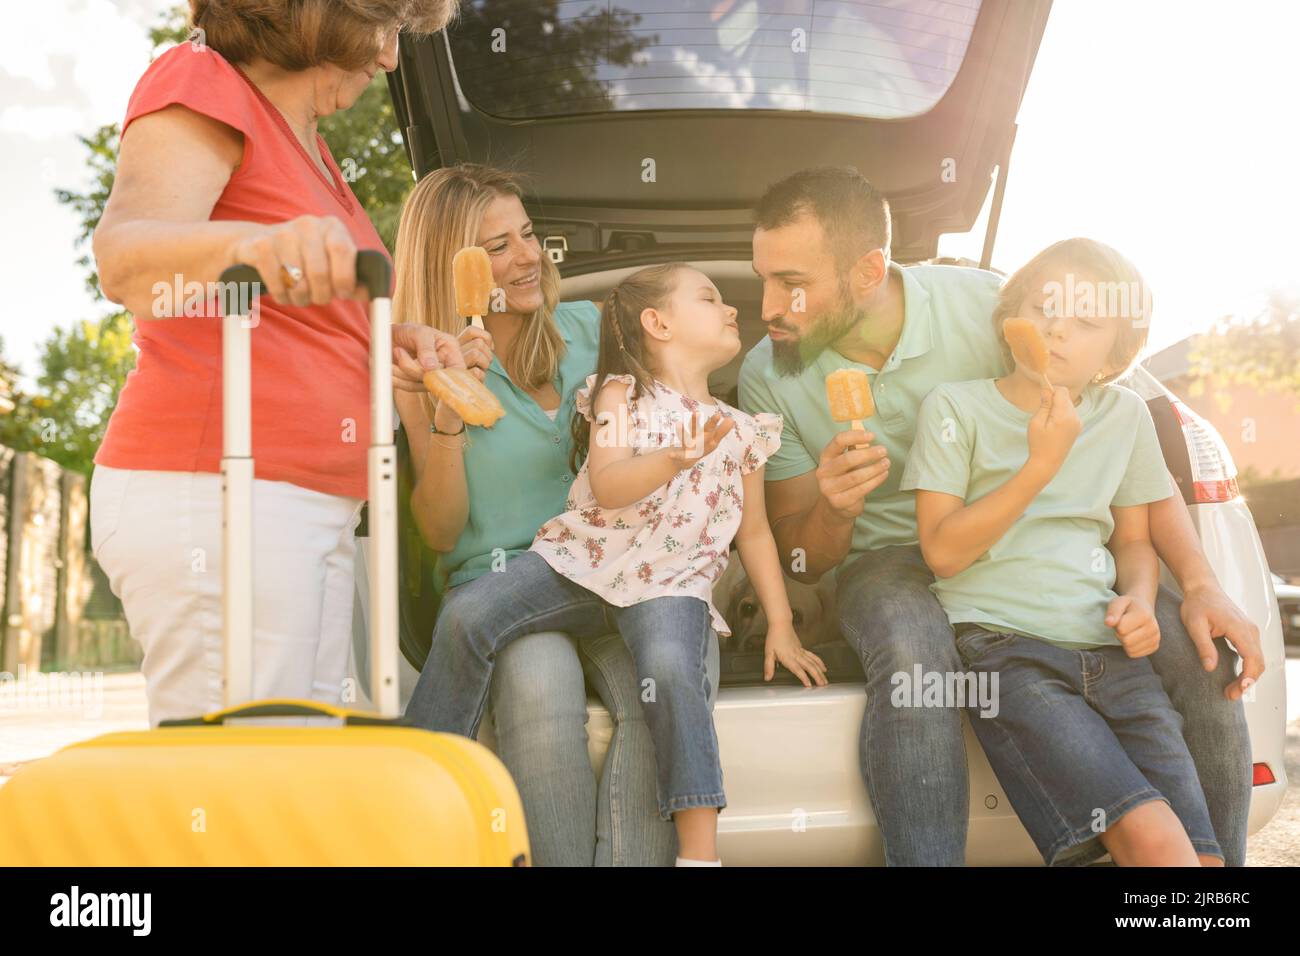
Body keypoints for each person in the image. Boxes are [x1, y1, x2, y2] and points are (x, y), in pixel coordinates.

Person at [738, 166, 1262, 865]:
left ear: (867, 271)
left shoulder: (994, 308)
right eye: (763, 277)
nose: (769, 305)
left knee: (1201, 656)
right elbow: (802, 553)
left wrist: (1200, 583)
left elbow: (1128, 457)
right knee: (914, 648)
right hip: (889, 556)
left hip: (1046, 545)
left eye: (790, 282)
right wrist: (837, 509)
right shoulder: (766, 372)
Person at [88, 0, 465, 727]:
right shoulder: (201, 80)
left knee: (293, 774)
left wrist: (391, 335)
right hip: (220, 494)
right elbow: (127, 258)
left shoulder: (314, 149)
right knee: (238, 793)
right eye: (387, 28)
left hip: (310, 506)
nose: (390, 58)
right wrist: (250, 248)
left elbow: (304, 307)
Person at [405, 263, 828, 865]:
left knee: (673, 672)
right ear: (657, 323)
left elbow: (755, 533)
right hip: (582, 563)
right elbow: (607, 484)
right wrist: (670, 459)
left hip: (670, 586)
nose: (733, 309)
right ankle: (418, 776)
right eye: (709, 299)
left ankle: (699, 853)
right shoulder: (618, 395)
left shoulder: (744, 431)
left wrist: (781, 622)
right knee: (469, 612)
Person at [390, 166, 723, 865]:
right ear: (453, 265)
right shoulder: (426, 373)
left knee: (656, 690)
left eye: (529, 235)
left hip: (623, 575)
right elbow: (442, 533)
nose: (528, 257)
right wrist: (448, 418)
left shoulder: (591, 330)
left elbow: (685, 387)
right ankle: (406, 809)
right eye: (498, 246)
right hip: (506, 583)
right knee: (540, 684)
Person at [905, 239, 1221, 865]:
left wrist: (1137, 601)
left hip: (1109, 653)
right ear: (1010, 317)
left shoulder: (1125, 415)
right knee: (1152, 844)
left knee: (1200, 861)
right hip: (1007, 650)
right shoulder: (956, 408)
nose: (1057, 327)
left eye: (1087, 321)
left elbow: (1133, 540)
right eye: (1045, 305)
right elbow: (942, 552)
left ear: (1117, 354)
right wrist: (1040, 464)